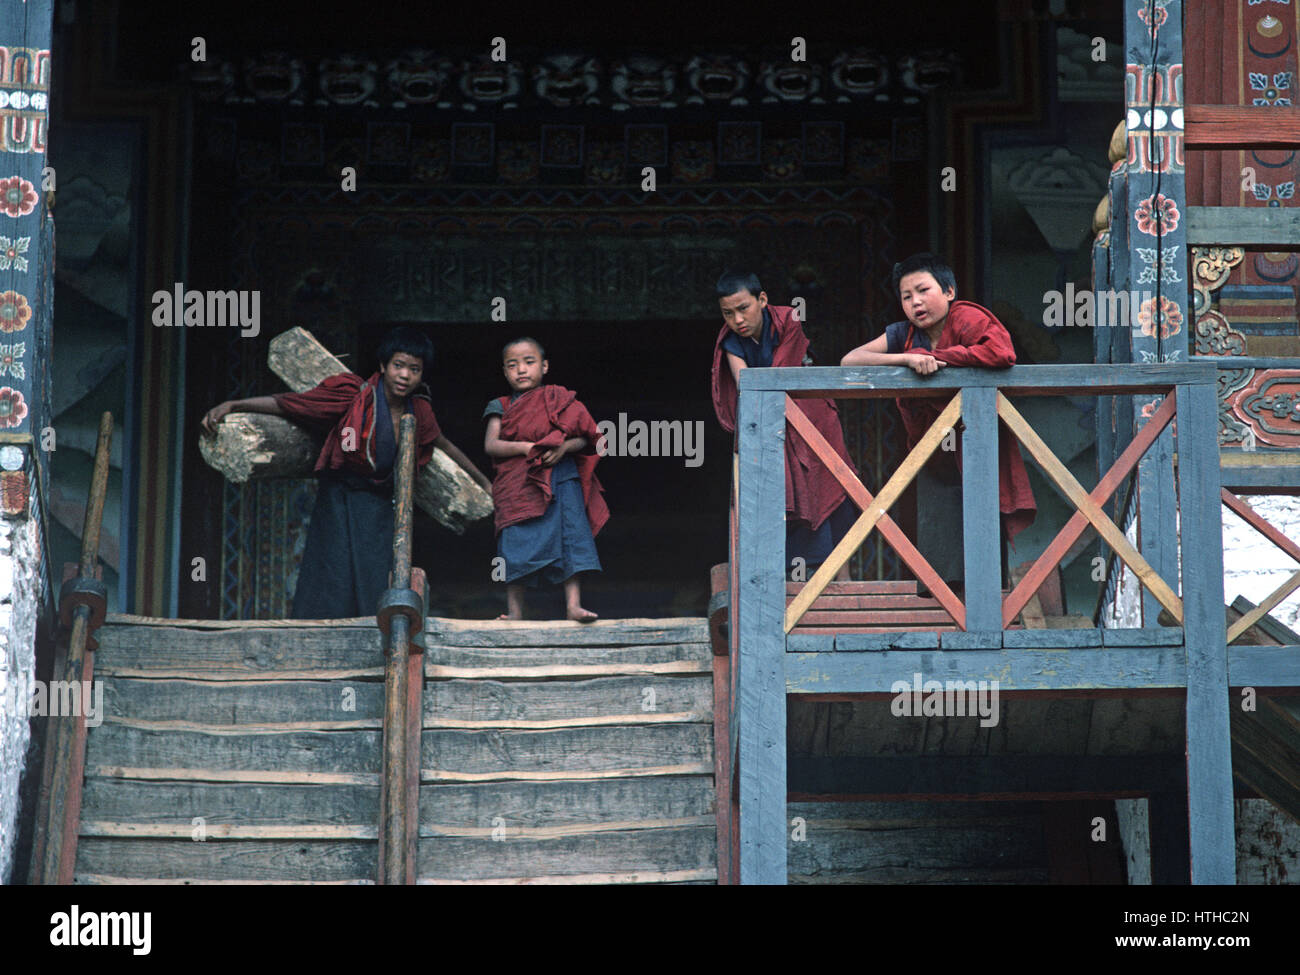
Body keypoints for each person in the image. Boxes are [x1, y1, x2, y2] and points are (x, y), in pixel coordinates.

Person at [201, 326, 491, 618]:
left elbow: (445, 446)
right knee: (331, 579)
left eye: (414, 370)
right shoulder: (353, 395)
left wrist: (484, 484)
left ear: (421, 374)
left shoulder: (418, 412)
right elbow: (289, 405)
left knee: (376, 584)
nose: (404, 376)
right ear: (383, 365)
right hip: (338, 502)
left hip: (380, 510)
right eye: (398, 366)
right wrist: (233, 404)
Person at [840, 253, 1036, 587]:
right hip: (933, 450)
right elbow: (850, 362)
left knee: (982, 524)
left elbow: (1002, 353)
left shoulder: (966, 318)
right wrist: (907, 359)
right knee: (938, 530)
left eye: (923, 290)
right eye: (906, 296)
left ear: (948, 291)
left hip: (978, 444)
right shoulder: (902, 334)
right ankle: (943, 612)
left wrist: (936, 358)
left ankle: (987, 612)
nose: (915, 302)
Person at [711, 269, 858, 580]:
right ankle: (792, 593)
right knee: (782, 505)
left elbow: (779, 376)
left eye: (743, 308)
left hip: (813, 424)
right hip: (771, 429)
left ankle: (844, 586)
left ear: (762, 300)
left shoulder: (788, 321)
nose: (737, 319)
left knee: (833, 495)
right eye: (728, 313)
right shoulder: (731, 343)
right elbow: (746, 386)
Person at [483, 337, 608, 622]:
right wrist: (527, 448)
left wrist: (562, 448)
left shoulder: (560, 400)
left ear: (545, 366)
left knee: (571, 537)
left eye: (529, 362)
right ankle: (515, 610)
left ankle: (573, 606)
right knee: (514, 542)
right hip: (518, 484)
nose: (521, 370)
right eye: (512, 365)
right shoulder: (499, 405)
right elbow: (491, 444)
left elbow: (589, 438)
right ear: (505, 371)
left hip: (561, 479)